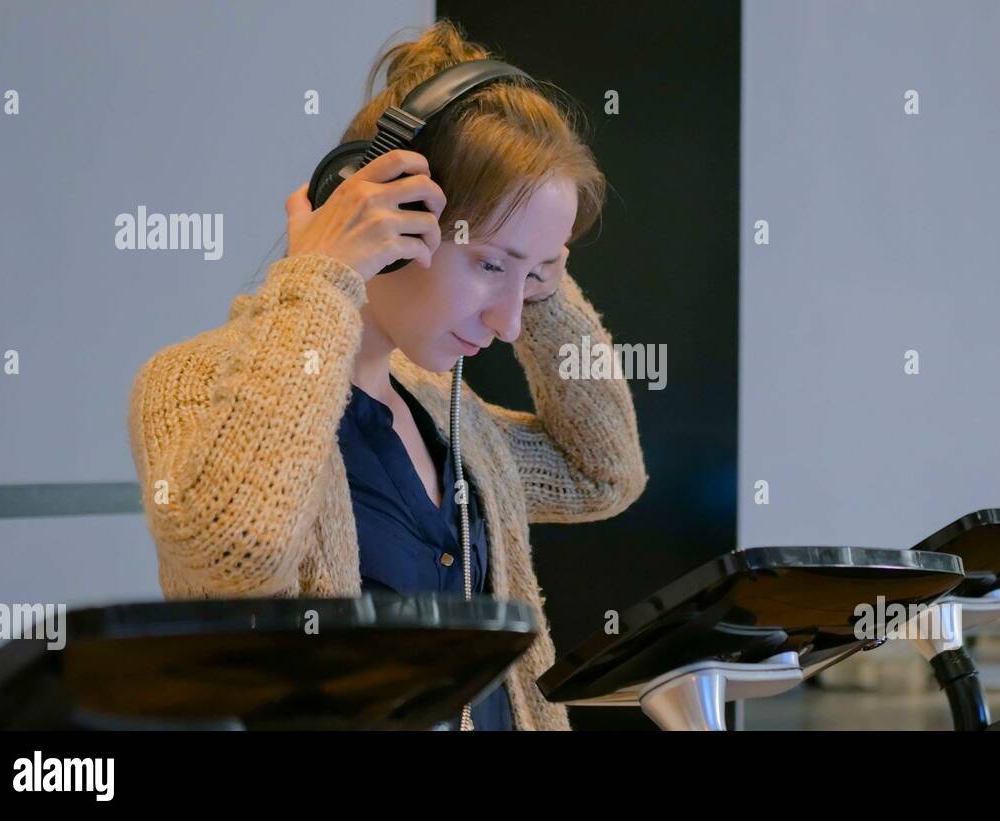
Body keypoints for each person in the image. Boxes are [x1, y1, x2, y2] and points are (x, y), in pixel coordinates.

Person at [126, 20, 648, 731]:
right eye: (490, 263)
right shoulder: (188, 381)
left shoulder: (444, 411)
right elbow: (232, 550)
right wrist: (320, 277)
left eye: (533, 277)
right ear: (391, 219)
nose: (508, 322)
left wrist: (545, 287)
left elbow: (605, 472)